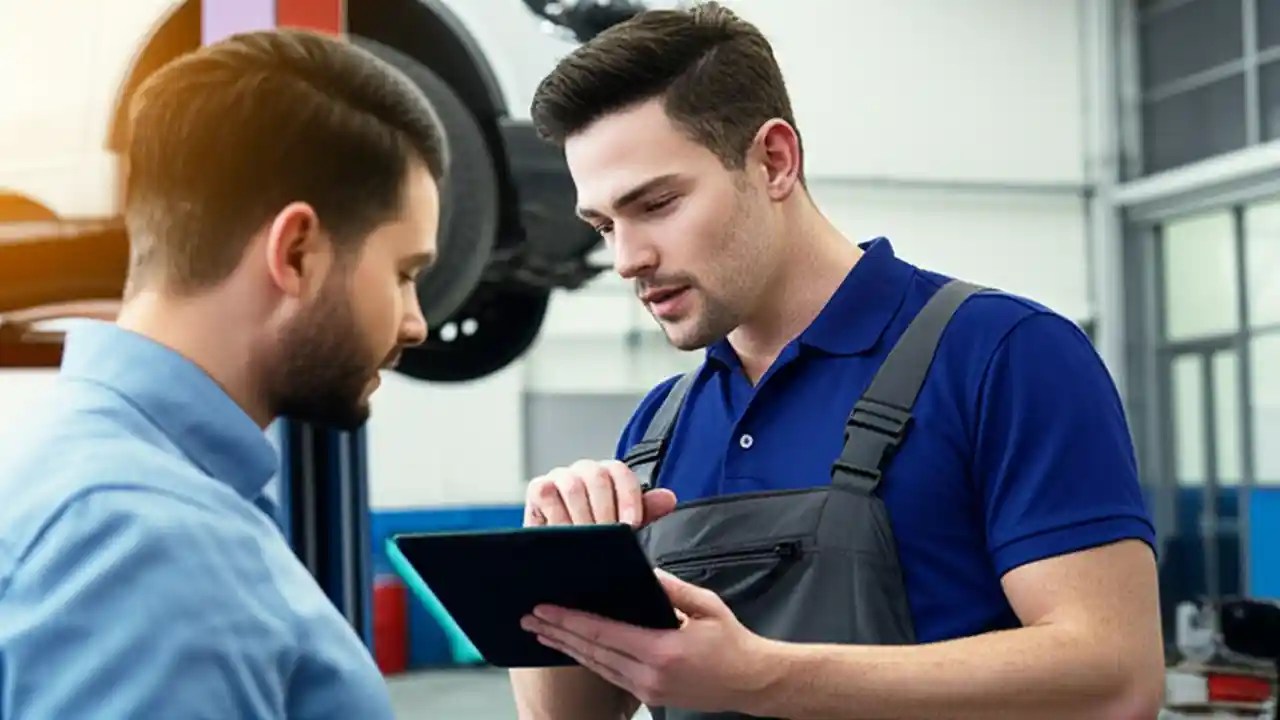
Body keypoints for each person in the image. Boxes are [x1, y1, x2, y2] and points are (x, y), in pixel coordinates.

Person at [510, 3, 1165, 719]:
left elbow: (1115, 677)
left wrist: (762, 677)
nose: (627, 258)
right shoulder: (659, 427)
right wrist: (556, 559)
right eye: (605, 225)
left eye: (658, 204)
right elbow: (566, 718)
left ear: (774, 160)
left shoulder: (1004, 356)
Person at [0, 29, 444, 718]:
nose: (414, 322)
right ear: (295, 252)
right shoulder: (152, 539)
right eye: (404, 273)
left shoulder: (75, 471)